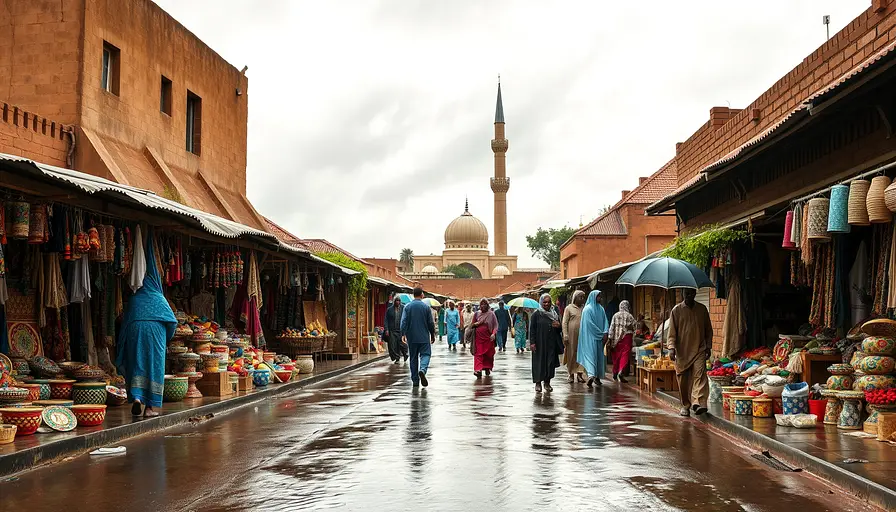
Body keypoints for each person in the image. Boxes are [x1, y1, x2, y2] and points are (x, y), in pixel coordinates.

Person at [116, 232, 176, 418]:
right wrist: (166, 339)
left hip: (135, 332)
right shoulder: (158, 297)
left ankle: (136, 397)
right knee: (154, 367)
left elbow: (126, 322)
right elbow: (172, 321)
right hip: (156, 333)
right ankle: (149, 407)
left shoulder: (135, 299)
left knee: (137, 363)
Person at [668, 289, 713, 417]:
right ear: (682, 294)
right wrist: (671, 348)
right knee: (683, 381)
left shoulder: (702, 309)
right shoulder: (676, 310)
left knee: (700, 376)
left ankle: (699, 403)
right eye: (686, 293)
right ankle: (685, 405)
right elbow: (671, 333)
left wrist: (708, 347)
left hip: (699, 349)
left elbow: (708, 330)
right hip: (682, 352)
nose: (689, 296)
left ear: (695, 294)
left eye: (691, 293)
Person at [400, 287, 436, 387]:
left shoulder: (407, 307)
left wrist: (403, 334)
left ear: (413, 295)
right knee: (426, 354)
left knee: (413, 358)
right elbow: (430, 323)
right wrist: (432, 334)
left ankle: (415, 380)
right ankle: (423, 370)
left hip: (411, 337)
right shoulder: (426, 307)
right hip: (424, 337)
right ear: (422, 295)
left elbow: (403, 322)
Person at [530, 293, 562, 392]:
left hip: (551, 343)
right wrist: (532, 342)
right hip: (539, 343)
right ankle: (538, 383)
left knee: (550, 363)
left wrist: (558, 326)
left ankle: (547, 383)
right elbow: (532, 329)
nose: (546, 304)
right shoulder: (536, 314)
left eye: (548, 302)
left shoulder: (554, 313)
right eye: (544, 302)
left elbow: (559, 329)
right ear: (541, 302)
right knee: (539, 363)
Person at [577, 290, 609, 389]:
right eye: (598, 296)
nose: (600, 298)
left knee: (599, 357)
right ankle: (591, 375)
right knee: (590, 357)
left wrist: (605, 332)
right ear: (593, 297)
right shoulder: (587, 310)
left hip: (599, 339)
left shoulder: (601, 309)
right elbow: (589, 324)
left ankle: (597, 377)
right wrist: (601, 333)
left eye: (600, 296)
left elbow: (605, 321)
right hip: (589, 338)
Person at [607, 299, 636, 383]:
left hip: (616, 339)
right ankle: (621, 371)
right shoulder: (630, 316)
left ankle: (615, 372)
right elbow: (635, 327)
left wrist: (609, 338)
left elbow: (611, 328)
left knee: (616, 356)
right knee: (624, 355)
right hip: (627, 338)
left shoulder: (615, 315)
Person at [562, 290, 587, 383]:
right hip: (571, 335)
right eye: (580, 297)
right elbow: (564, 322)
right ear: (575, 298)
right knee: (571, 353)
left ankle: (580, 374)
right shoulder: (569, 308)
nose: (582, 299)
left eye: (583, 297)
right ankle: (571, 374)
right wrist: (565, 335)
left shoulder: (584, 308)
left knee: (581, 353)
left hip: (582, 335)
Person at [471, 298, 498, 378]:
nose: (483, 306)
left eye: (485, 304)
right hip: (478, 338)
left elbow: (495, 325)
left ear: (487, 305)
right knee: (478, 354)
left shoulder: (491, 314)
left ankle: (487, 368)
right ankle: (478, 370)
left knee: (488, 354)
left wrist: (493, 334)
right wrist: (476, 324)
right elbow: (472, 324)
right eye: (481, 304)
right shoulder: (476, 314)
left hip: (488, 338)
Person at [384, 296, 408, 363]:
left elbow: (406, 318)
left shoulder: (403, 308)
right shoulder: (389, 309)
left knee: (402, 344)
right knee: (393, 345)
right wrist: (386, 329)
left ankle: (405, 354)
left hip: (401, 330)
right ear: (394, 302)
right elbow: (386, 320)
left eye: (398, 301)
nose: (397, 302)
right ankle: (397, 358)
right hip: (392, 330)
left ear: (400, 302)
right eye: (396, 301)